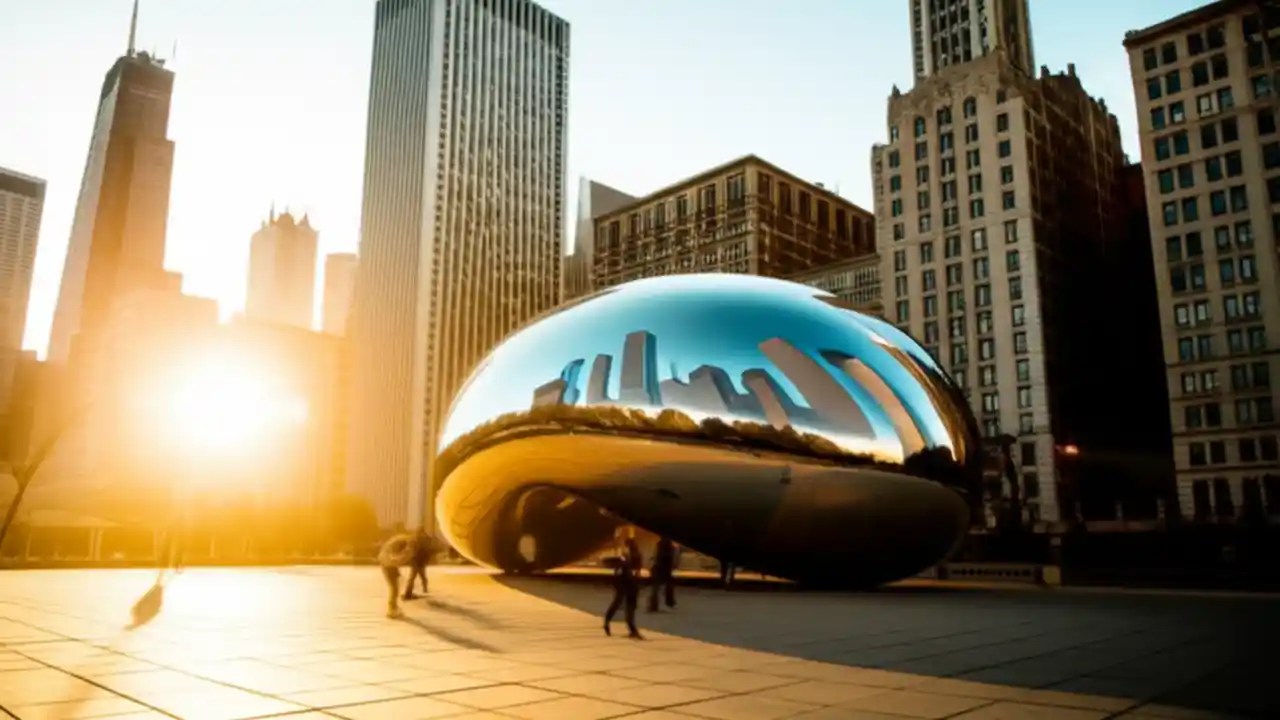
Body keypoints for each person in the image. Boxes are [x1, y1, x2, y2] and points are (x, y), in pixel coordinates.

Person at [604, 533, 644, 639]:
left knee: (619, 603)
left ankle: (607, 621)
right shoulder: (635, 555)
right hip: (630, 585)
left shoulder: (626, 557)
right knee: (629, 606)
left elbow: (619, 571)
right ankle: (632, 630)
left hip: (624, 584)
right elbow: (636, 571)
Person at [378, 533, 414, 618]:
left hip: (388, 566)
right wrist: (406, 554)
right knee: (394, 589)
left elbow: (395, 561)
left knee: (395, 588)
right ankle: (392, 609)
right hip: (389, 567)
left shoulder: (390, 547)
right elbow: (397, 560)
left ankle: (394, 607)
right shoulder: (400, 547)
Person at [647, 537, 677, 612]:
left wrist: (653, 566)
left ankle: (654, 605)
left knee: (656, 588)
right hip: (666, 569)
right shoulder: (671, 547)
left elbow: (656, 557)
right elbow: (672, 560)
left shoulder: (659, 545)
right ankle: (669, 602)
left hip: (659, 568)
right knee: (668, 585)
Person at [403, 529, 434, 600]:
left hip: (417, 562)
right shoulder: (421, 541)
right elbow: (426, 552)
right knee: (419, 578)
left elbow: (412, 551)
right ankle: (422, 590)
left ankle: (410, 592)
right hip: (418, 562)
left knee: (415, 578)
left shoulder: (417, 540)